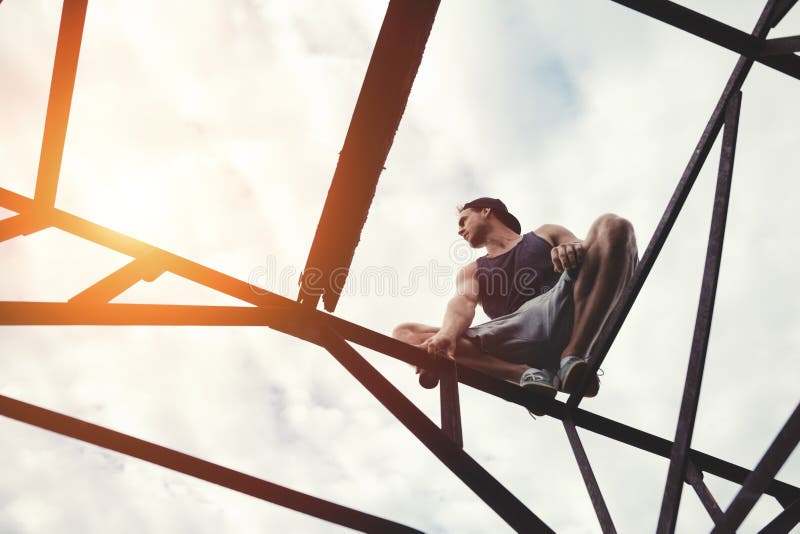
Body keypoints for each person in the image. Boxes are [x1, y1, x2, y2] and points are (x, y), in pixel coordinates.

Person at [391, 197, 638, 407]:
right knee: (406, 333)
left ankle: (574, 356)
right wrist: (446, 336)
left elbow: (593, 251)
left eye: (463, 220)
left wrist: (570, 250)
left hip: (568, 306)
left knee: (613, 225)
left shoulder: (546, 233)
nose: (460, 230)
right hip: (514, 335)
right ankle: (528, 375)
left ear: (486, 211)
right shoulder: (473, 270)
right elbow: (463, 301)